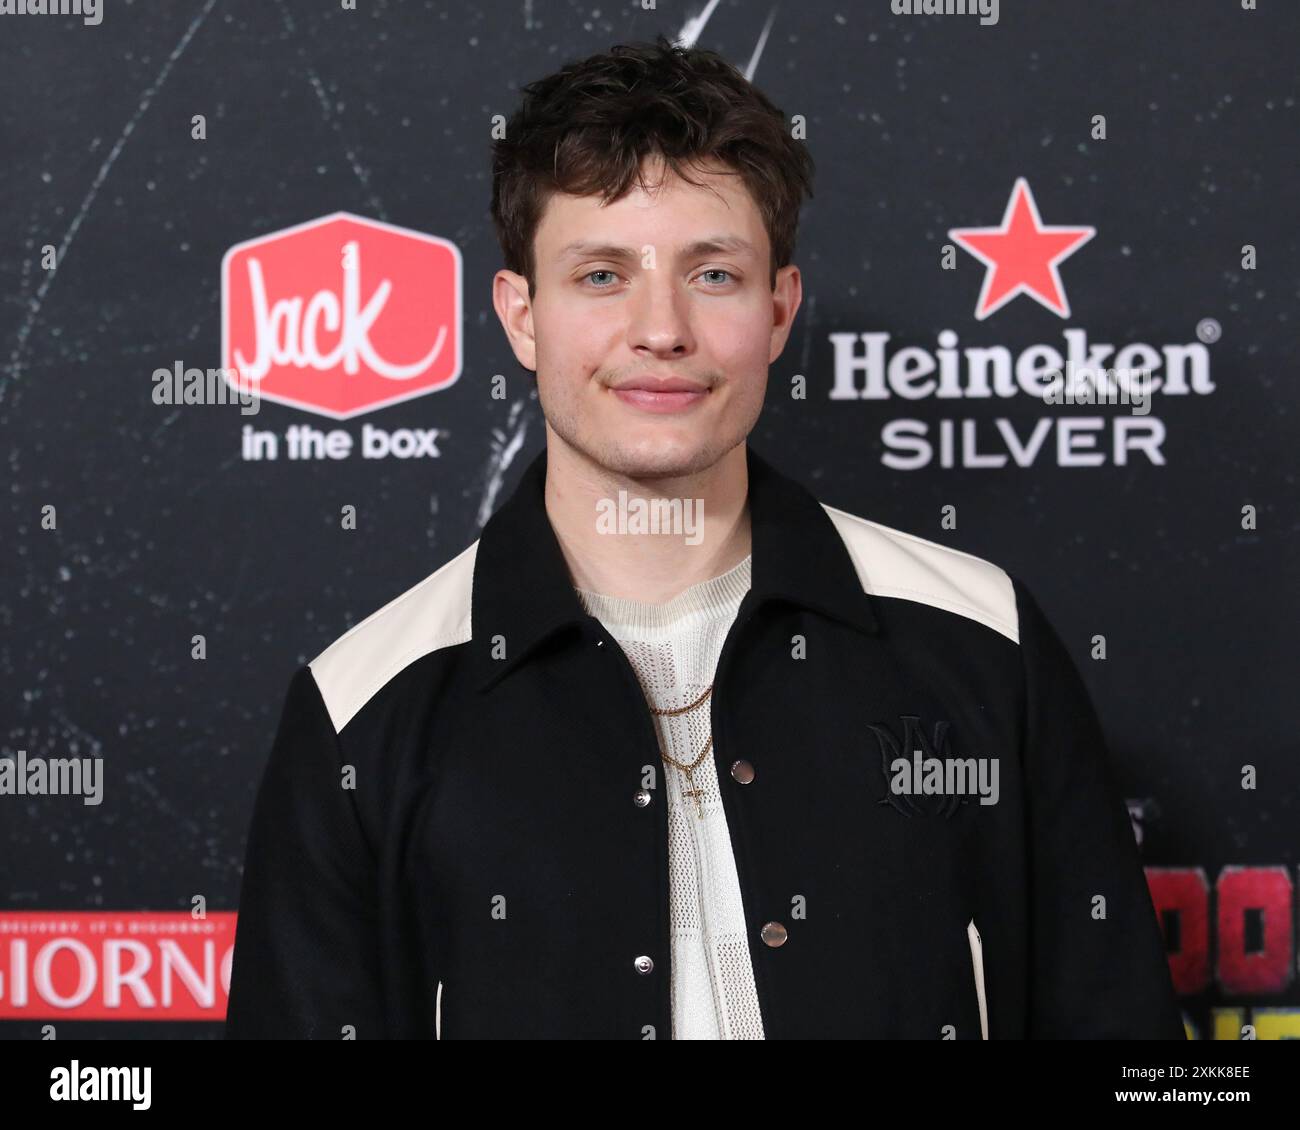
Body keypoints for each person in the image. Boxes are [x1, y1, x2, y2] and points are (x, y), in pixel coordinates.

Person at [225, 35, 1184, 1040]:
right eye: (602, 274)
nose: (662, 329)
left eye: (714, 274)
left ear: (779, 309)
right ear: (521, 316)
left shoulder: (984, 644)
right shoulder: (363, 711)